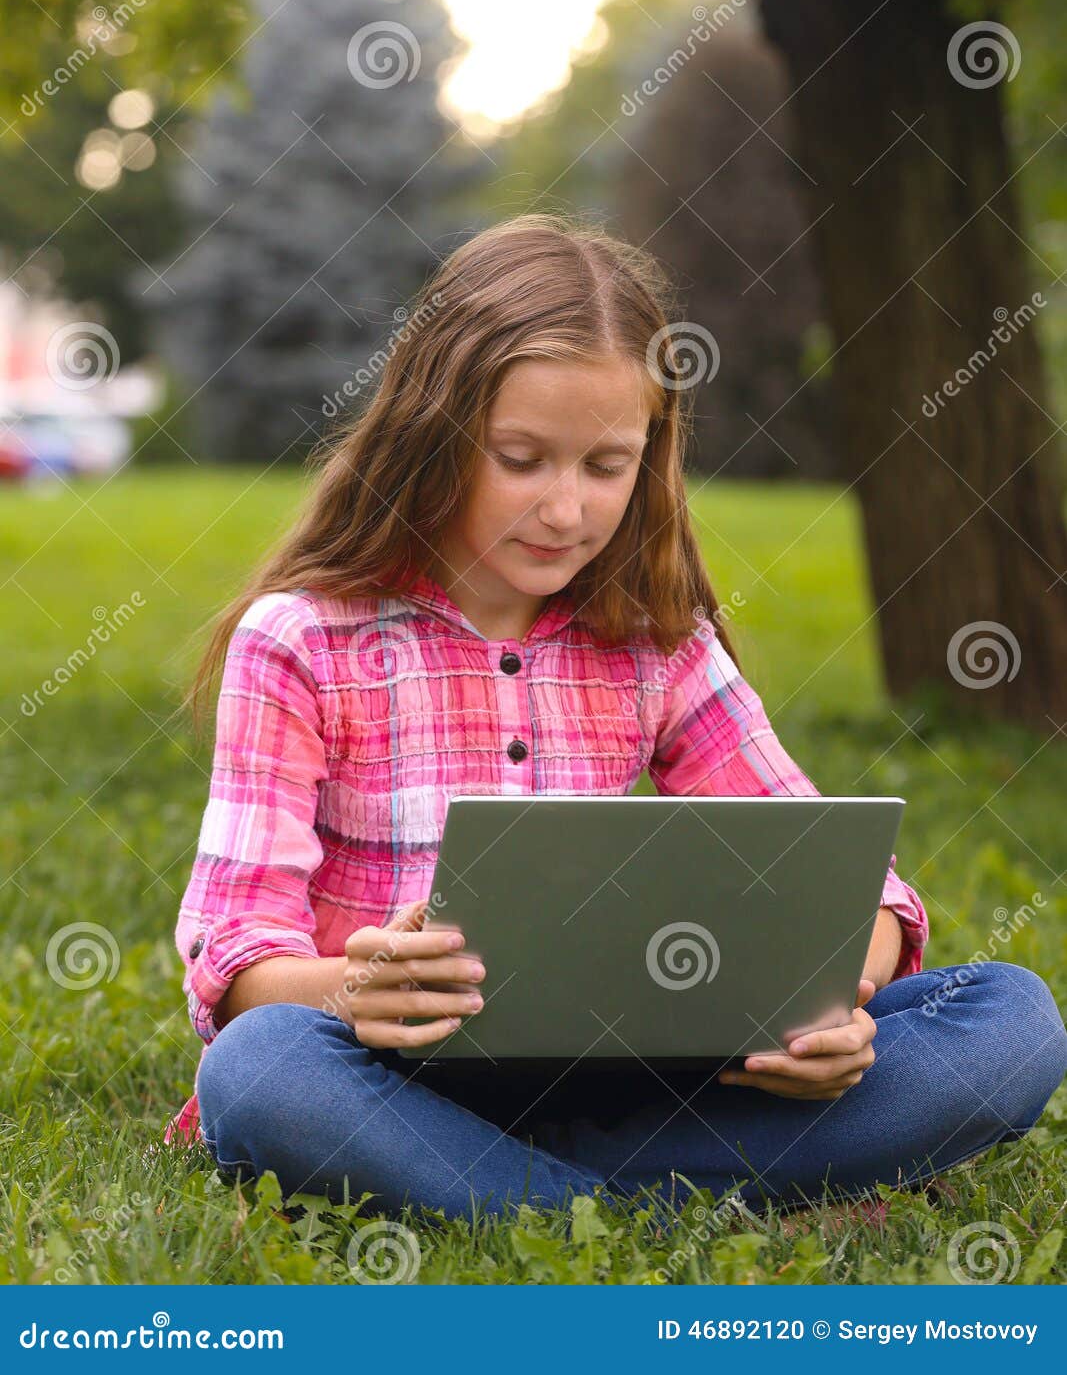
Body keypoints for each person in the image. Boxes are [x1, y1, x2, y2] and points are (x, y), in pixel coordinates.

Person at [164, 212, 1067, 1221]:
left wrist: (830, 1005)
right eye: (520, 458)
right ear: (431, 433)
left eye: (604, 465)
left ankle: (530, 1197)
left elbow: (846, 881)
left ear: (650, 456)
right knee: (260, 1071)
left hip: (639, 1073)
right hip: (395, 1075)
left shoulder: (657, 643)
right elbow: (236, 953)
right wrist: (350, 987)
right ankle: (689, 1193)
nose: (565, 510)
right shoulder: (300, 639)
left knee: (1008, 1019)